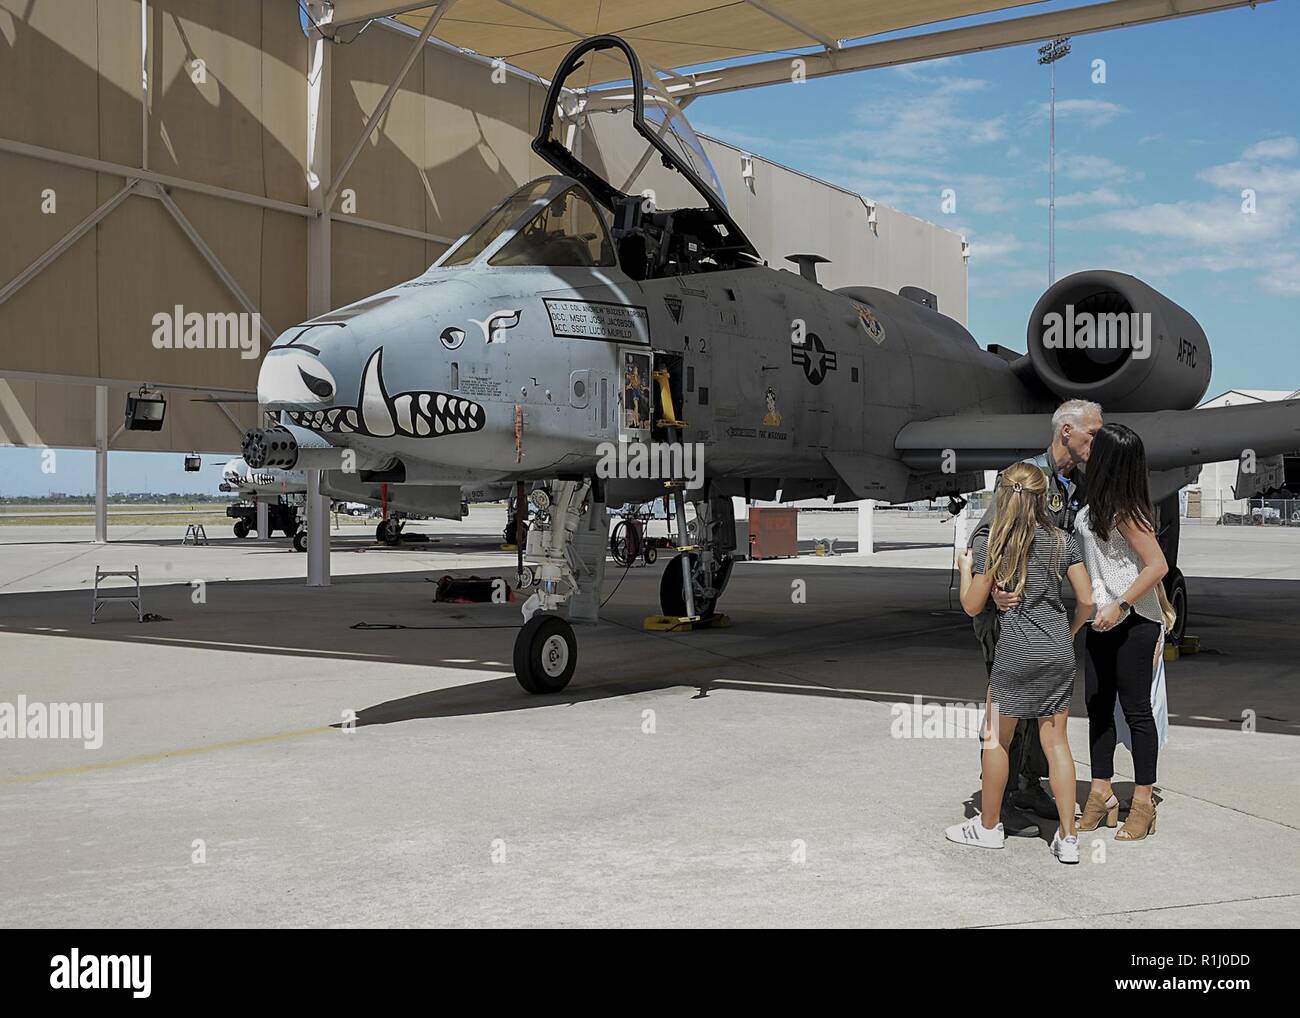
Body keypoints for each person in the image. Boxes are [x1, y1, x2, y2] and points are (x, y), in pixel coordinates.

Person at [967, 398, 1102, 832]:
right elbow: (986, 535)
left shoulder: (1076, 482)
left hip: (1040, 617)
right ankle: (1002, 800)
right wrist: (994, 591)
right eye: (1093, 433)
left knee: (1037, 714)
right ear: (1067, 431)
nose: (1096, 441)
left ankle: (1026, 784)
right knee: (1006, 721)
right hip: (1008, 617)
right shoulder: (1026, 477)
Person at [948, 463, 1095, 863]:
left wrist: (965, 570)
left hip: (1015, 653)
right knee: (1057, 743)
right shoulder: (1062, 540)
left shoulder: (995, 542)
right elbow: (1087, 600)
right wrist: (1069, 631)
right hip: (1057, 652)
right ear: (1043, 496)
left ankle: (989, 826)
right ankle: (1068, 838)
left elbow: (971, 605)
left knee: (997, 739)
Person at [1074, 423, 1168, 841]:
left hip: (1133, 622)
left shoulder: (1126, 511)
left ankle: (1143, 802)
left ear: (1109, 458)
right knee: (1097, 706)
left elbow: (1157, 565)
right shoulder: (1093, 502)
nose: (1089, 449)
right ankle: (1100, 794)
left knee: (1136, 711)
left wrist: (1123, 604)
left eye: (1097, 445)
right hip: (1100, 620)